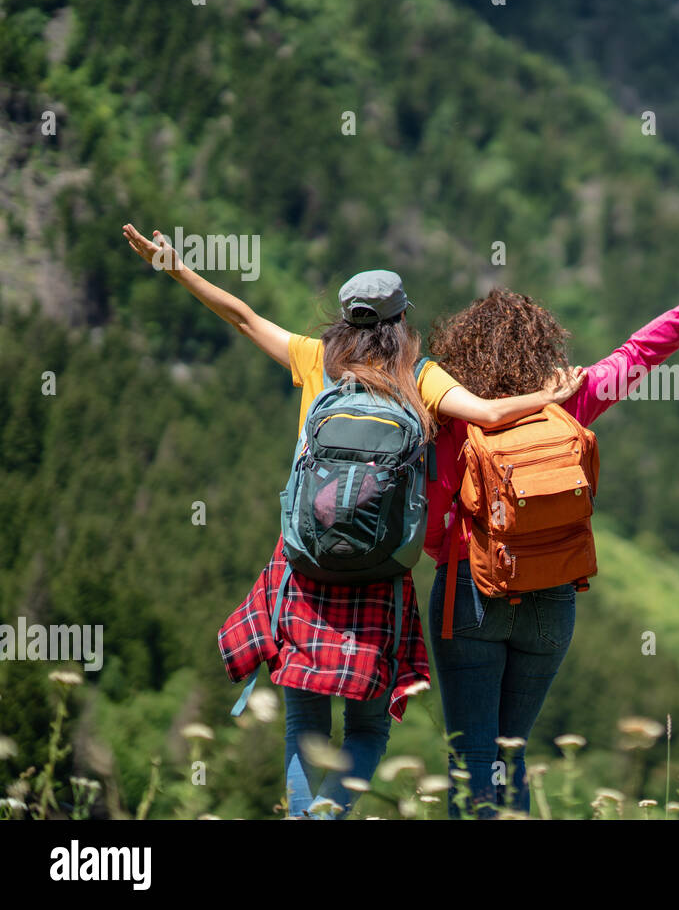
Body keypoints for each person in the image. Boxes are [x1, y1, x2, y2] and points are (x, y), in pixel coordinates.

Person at [120, 223, 585, 818]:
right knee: (367, 730)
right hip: (380, 577)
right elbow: (491, 415)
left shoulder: (318, 359)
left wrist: (177, 269)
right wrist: (548, 398)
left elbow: (240, 317)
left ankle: (302, 816)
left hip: (303, 569)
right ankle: (326, 813)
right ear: (400, 323)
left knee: (302, 720)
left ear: (345, 320)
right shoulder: (419, 377)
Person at [424, 245, 679, 817]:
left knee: (474, 754)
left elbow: (434, 513)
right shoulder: (568, 402)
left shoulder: (452, 415)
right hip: (553, 598)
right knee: (512, 753)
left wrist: (449, 554)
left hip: (471, 593)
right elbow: (640, 353)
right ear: (543, 346)